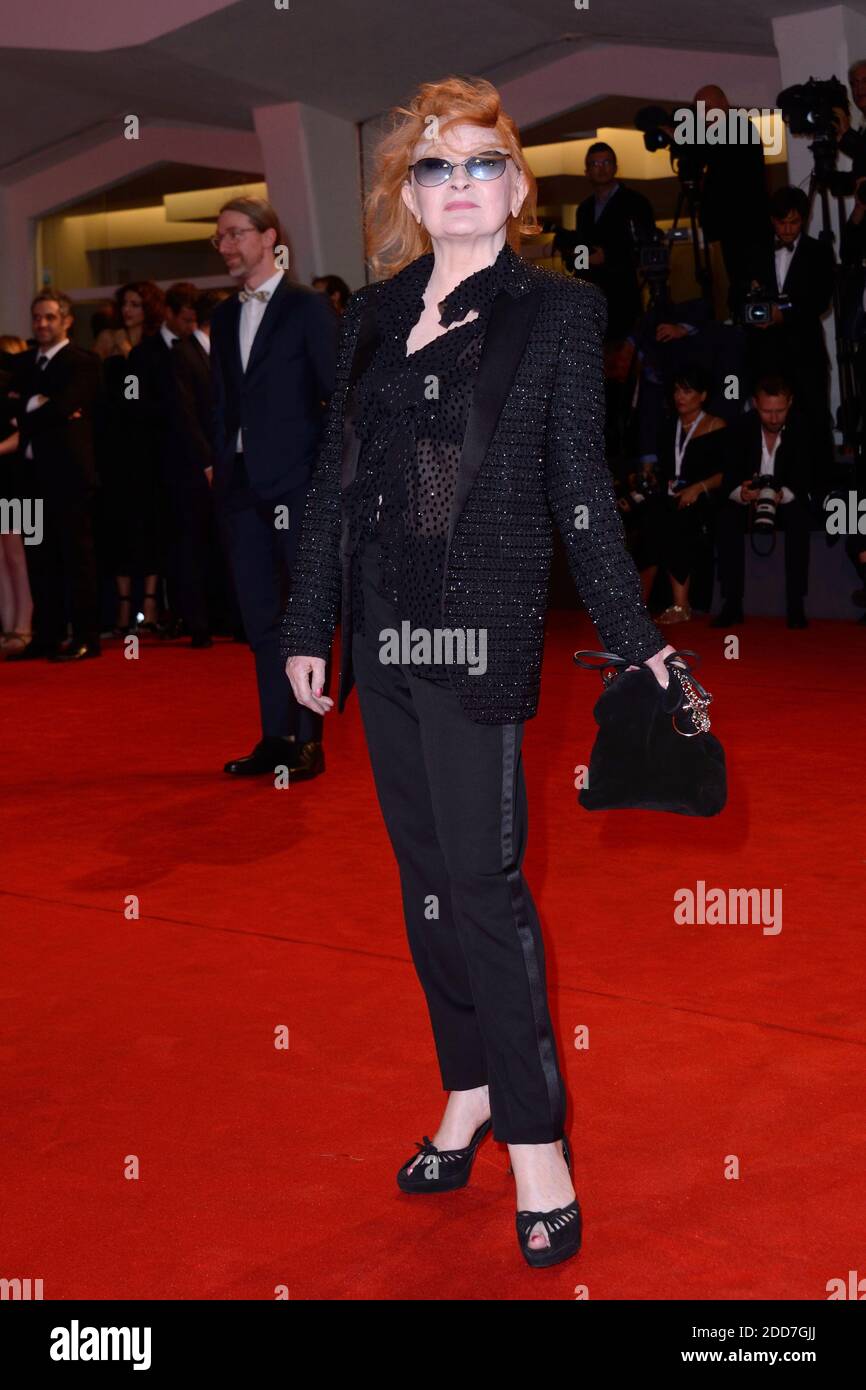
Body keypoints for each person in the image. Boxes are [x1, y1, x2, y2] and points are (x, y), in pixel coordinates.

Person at [280, 74, 679, 1269]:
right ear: (411, 191)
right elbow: (332, 482)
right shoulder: (372, 313)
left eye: (481, 163)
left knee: (485, 882)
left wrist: (635, 635)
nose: (460, 185)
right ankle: (467, 1090)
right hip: (388, 629)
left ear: (514, 185)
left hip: (477, 631)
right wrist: (311, 621)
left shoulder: (553, 312)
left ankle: (538, 1139)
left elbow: (576, 491)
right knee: (424, 881)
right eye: (435, 167)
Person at [210, 196, 338, 780]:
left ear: (269, 237)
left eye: (236, 234)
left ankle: (308, 738)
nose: (227, 247)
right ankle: (275, 735)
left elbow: (338, 398)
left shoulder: (307, 308)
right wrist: (216, 460)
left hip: (299, 485)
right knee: (260, 618)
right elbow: (221, 403)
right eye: (220, 239)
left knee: (305, 616)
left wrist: (324, 476)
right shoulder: (221, 317)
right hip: (241, 490)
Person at [6, 291, 102, 662]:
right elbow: (11, 404)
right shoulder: (23, 362)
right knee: (39, 559)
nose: (41, 324)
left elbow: (64, 406)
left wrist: (28, 408)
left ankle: (85, 637)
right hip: (28, 477)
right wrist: (36, 406)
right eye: (36, 317)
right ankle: (46, 636)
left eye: (48, 317)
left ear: (66, 321)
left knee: (76, 557)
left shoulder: (83, 362)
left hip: (69, 477)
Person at [742, 186, 835, 493]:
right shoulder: (755, 251)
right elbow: (735, 297)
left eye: (794, 223)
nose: (787, 229)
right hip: (765, 355)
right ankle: (770, 490)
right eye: (781, 223)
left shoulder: (818, 251)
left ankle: (820, 494)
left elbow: (821, 299)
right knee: (768, 425)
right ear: (772, 220)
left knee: (814, 424)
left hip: (804, 353)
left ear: (803, 220)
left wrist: (784, 312)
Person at [711, 376, 812, 630]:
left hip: (787, 498)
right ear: (755, 404)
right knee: (726, 517)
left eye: (780, 411)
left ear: (790, 403)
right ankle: (732, 603)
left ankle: (796, 603)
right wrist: (741, 492)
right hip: (748, 499)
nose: (774, 418)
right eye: (767, 411)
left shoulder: (804, 428)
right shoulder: (739, 427)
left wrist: (783, 494)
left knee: (799, 518)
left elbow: (810, 475)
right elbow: (727, 473)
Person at [95, 281, 166, 635]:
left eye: (136, 304)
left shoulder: (154, 346)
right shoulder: (106, 342)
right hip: (115, 450)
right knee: (119, 527)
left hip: (149, 448)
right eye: (125, 303)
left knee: (149, 524)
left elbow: (142, 398)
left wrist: (127, 360)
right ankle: (123, 606)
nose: (128, 310)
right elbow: (103, 397)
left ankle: (150, 604)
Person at [165, 288, 231, 647]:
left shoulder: (221, 353)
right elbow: (185, 414)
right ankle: (199, 624)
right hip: (192, 468)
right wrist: (207, 461)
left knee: (223, 541)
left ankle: (225, 618)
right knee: (193, 544)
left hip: (224, 463)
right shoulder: (181, 353)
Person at [639, 364, 726, 623]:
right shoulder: (668, 427)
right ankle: (637, 606)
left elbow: (727, 472)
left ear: (703, 395)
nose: (679, 396)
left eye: (687, 391)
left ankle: (681, 605)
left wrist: (698, 488)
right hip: (671, 497)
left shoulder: (716, 425)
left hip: (704, 497)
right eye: (676, 390)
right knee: (649, 518)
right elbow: (665, 469)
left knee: (677, 519)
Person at [691, 83, 770, 313]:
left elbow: (718, 159)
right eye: (700, 110)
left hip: (749, 228)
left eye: (708, 107)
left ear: (724, 104)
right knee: (738, 286)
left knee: (750, 289)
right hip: (732, 230)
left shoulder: (740, 129)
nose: (705, 114)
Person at [573, 141, 657, 341]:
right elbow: (581, 248)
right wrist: (583, 264)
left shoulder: (636, 202)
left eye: (606, 162)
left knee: (625, 359)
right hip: (592, 297)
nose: (601, 168)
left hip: (625, 293)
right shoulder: (583, 209)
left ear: (616, 167)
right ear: (587, 171)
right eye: (595, 164)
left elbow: (646, 247)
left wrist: (608, 257)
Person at [0, 335, 33, 653]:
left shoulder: (22, 390)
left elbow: (27, 429)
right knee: (2, 559)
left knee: (18, 556)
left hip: (17, 481)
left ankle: (24, 627)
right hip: (4, 480)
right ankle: (9, 628)